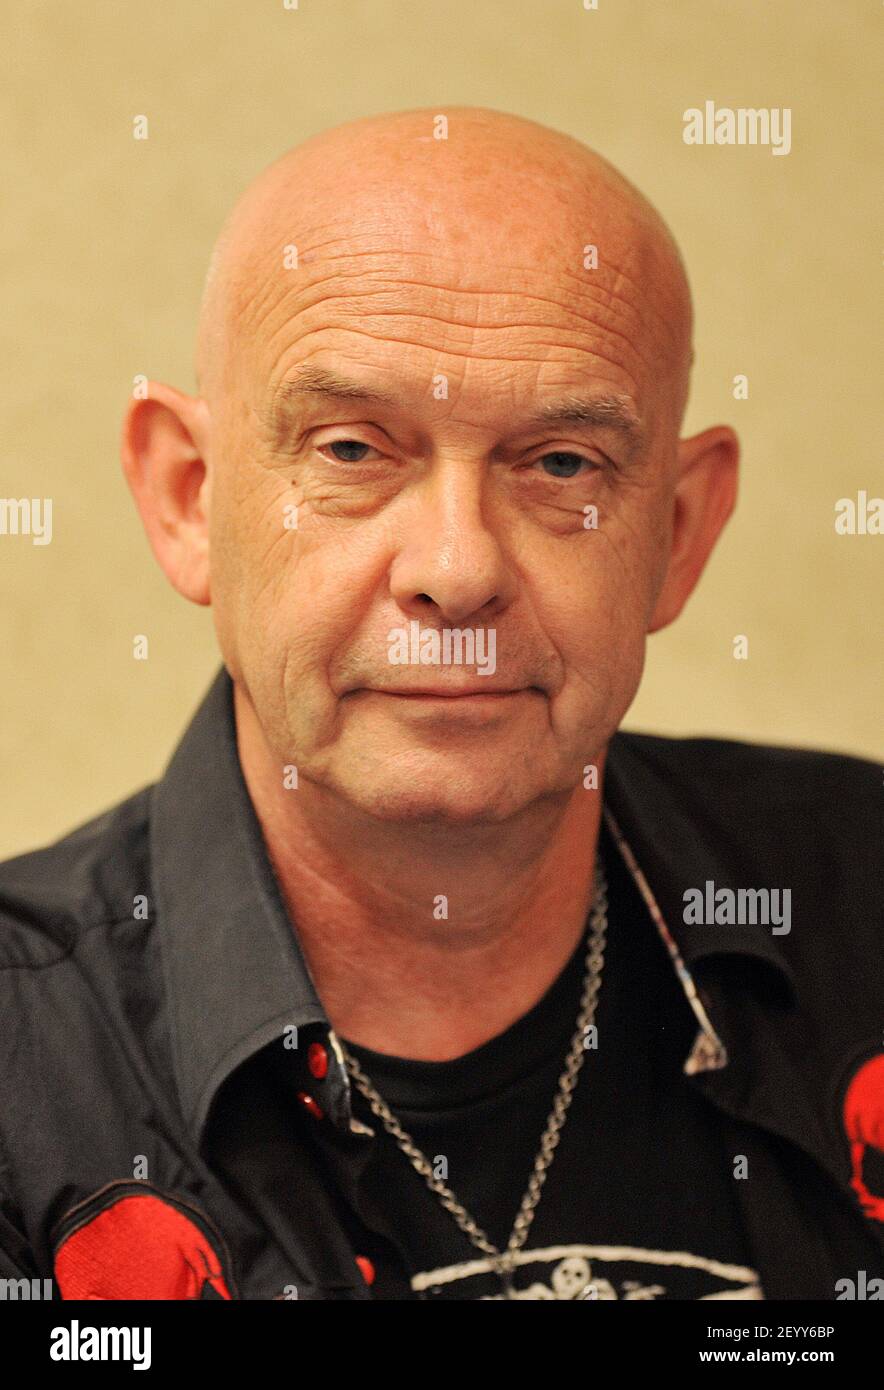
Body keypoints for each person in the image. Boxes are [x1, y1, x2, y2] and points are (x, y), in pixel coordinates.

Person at [0, 106, 881, 1302]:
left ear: (675, 536)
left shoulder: (858, 893)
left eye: (560, 462)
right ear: (188, 500)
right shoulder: (25, 1070)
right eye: (354, 450)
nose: (458, 567)